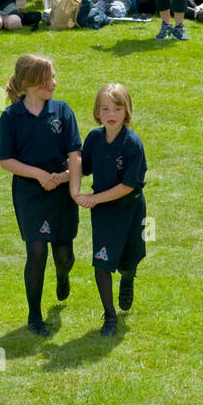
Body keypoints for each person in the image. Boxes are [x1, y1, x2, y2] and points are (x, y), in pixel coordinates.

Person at [0, 54, 82, 337]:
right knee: (36, 251)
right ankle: (34, 317)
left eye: (54, 78)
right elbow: (6, 160)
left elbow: (75, 154)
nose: (54, 84)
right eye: (48, 80)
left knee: (63, 253)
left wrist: (65, 178)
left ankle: (63, 273)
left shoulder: (62, 111)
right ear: (30, 82)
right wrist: (39, 175)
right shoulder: (11, 117)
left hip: (61, 191)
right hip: (30, 193)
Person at [74, 83, 148, 337]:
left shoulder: (132, 144)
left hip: (130, 209)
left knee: (128, 262)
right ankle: (109, 316)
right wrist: (59, 178)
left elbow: (128, 185)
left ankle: (127, 279)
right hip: (104, 213)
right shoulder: (94, 138)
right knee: (102, 262)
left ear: (127, 111)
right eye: (105, 108)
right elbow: (82, 167)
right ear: (97, 112)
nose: (110, 113)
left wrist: (94, 199)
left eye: (117, 108)